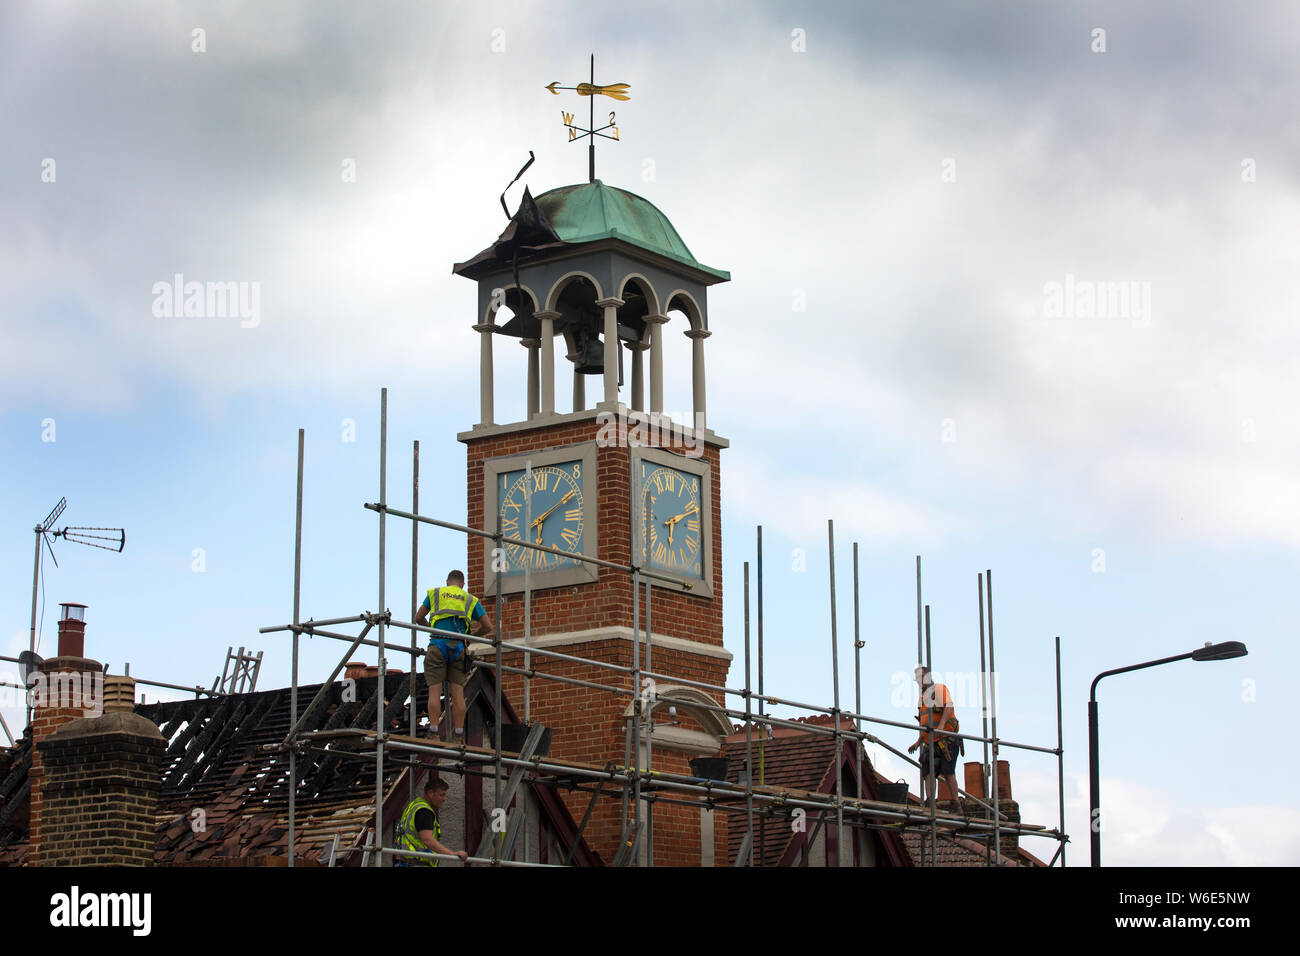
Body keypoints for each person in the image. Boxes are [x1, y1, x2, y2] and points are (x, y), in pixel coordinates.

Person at [415, 569, 493, 741]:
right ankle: (458, 735)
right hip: (458, 648)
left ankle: (434, 732)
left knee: (434, 691)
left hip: (438, 644)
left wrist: (432, 629)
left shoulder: (436, 594)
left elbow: (418, 617)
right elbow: (488, 626)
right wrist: (470, 638)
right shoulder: (470, 599)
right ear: (462, 584)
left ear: (447, 582)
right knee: (458, 693)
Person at [907, 666, 963, 809]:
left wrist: (942, 725)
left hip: (946, 738)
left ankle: (956, 803)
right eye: (918, 679)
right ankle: (931, 801)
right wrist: (918, 742)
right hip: (930, 741)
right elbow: (923, 722)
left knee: (948, 772)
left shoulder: (938, 689)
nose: (919, 681)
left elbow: (949, 706)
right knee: (927, 770)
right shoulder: (922, 699)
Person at [394, 778, 468, 866]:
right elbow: (427, 839)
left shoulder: (414, 805)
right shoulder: (424, 811)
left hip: (405, 861)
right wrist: (452, 854)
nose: (444, 799)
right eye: (441, 795)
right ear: (430, 793)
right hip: (417, 863)